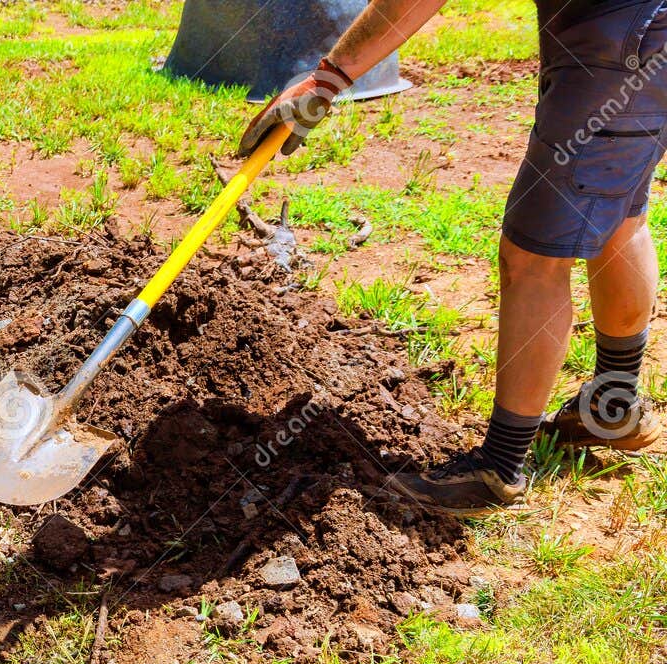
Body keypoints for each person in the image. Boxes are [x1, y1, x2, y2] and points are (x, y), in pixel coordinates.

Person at [240, 0, 667, 515]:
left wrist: (327, 79)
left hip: (618, 46)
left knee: (532, 260)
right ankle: (614, 406)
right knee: (621, 214)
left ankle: (498, 470)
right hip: (633, 40)